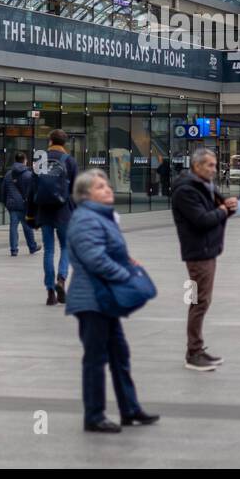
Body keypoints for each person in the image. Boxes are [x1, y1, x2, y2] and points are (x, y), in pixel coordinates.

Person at [64, 170, 159, 433]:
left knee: (119, 354)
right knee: (95, 358)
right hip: (92, 299)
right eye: (100, 187)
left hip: (104, 297)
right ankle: (94, 416)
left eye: (107, 185)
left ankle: (129, 409)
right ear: (85, 195)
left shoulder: (100, 217)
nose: (108, 189)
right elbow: (95, 258)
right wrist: (125, 274)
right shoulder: (85, 219)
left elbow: (108, 252)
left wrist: (126, 261)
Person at [171, 147, 237, 372]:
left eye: (214, 164)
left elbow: (215, 211)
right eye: (209, 165)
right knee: (199, 301)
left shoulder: (203, 186)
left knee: (200, 300)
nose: (214, 169)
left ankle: (197, 349)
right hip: (198, 253)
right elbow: (201, 220)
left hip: (208, 250)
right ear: (196, 166)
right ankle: (193, 352)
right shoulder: (186, 190)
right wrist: (222, 210)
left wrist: (228, 208)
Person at [35, 129, 78, 306]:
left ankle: (50, 292)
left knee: (49, 250)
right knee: (66, 247)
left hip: (44, 211)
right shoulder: (70, 161)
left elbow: (34, 187)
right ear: (64, 143)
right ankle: (61, 278)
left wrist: (32, 214)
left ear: (51, 141)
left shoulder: (41, 160)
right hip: (64, 212)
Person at [1, 151, 40, 257]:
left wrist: (6, 203)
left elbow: (3, 191)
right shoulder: (28, 175)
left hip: (12, 204)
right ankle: (32, 247)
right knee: (27, 226)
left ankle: (14, 250)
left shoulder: (8, 174)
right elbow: (33, 191)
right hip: (24, 204)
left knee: (13, 227)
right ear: (25, 161)